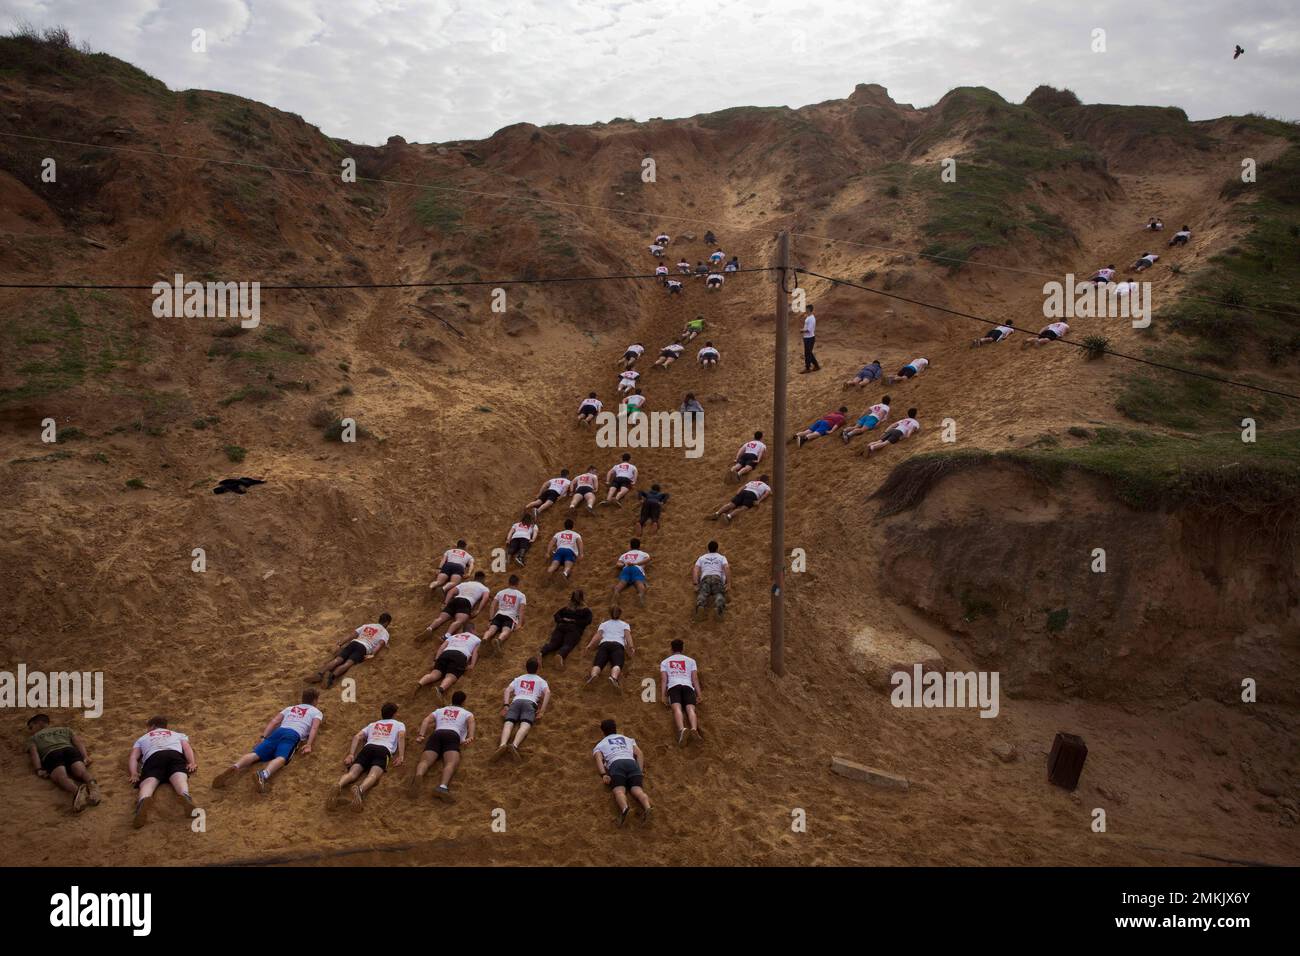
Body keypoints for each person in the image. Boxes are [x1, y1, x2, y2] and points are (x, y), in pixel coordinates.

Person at [213, 690, 324, 793]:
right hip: (293, 734)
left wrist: (263, 736)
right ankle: (263, 774)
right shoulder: (316, 712)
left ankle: (236, 766)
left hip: (278, 732)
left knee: (255, 754)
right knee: (282, 758)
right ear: (315, 700)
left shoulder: (290, 708)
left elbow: (274, 721)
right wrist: (309, 745)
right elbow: (314, 728)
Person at [329, 703, 404, 812]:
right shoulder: (399, 724)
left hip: (368, 748)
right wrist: (401, 756)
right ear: (394, 714)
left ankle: (339, 784)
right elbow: (401, 736)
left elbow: (357, 736)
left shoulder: (372, 724)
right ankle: (360, 789)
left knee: (352, 774)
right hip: (383, 750)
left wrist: (351, 754)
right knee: (373, 775)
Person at [128, 716, 197, 828]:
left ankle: (143, 800)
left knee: (149, 782)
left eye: (148, 727)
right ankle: (185, 795)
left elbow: (133, 757)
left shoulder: (142, 738)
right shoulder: (177, 734)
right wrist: (191, 762)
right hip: (173, 755)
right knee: (179, 777)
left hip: (153, 757)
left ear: (153, 726)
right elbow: (187, 748)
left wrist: (134, 773)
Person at [26, 714, 100, 813]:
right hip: (69, 750)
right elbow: (78, 742)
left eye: (31, 727)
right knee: (81, 771)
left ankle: (76, 791)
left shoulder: (33, 737)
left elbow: (34, 754)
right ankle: (92, 785)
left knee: (61, 777)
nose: (31, 730)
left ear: (38, 723)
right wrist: (85, 756)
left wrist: (38, 769)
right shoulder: (65, 729)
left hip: (51, 754)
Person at [412, 692, 474, 801]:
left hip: (437, 734)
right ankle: (443, 786)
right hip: (452, 735)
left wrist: (421, 735)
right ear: (464, 702)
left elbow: (426, 720)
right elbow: (471, 723)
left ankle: (419, 774)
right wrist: (470, 736)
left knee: (425, 761)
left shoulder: (440, 710)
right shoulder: (466, 713)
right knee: (451, 762)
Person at [592, 719, 651, 826]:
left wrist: (603, 774)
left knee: (619, 791)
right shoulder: (628, 739)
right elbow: (640, 754)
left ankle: (624, 808)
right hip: (631, 763)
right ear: (615, 728)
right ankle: (647, 807)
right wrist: (640, 771)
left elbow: (598, 759)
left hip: (616, 764)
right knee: (637, 790)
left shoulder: (600, 744)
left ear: (603, 731)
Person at [312, 613, 392, 688]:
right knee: (348, 663)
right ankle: (331, 677)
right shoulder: (385, 632)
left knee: (337, 659)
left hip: (354, 642)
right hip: (364, 647)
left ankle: (320, 673)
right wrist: (372, 654)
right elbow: (380, 644)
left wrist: (340, 644)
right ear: (387, 623)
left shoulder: (367, 625)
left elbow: (352, 635)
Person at [493, 659, 551, 760]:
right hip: (530, 703)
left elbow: (507, 690)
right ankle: (514, 745)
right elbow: (548, 693)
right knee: (525, 724)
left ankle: (502, 744)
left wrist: (506, 705)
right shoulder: (541, 680)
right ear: (537, 669)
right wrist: (542, 710)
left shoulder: (519, 678)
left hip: (516, 702)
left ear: (526, 667)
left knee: (508, 723)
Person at [416, 624, 482, 696]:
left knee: (434, 674)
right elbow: (475, 652)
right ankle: (440, 689)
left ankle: (419, 683)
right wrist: (472, 664)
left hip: (446, 653)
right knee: (450, 676)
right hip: (460, 655)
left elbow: (442, 647)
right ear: (472, 630)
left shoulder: (453, 636)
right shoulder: (477, 639)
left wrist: (436, 660)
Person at [660, 640, 702, 744]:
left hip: (674, 686)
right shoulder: (691, 661)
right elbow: (695, 678)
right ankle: (693, 728)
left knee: (677, 708)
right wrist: (699, 694)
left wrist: (663, 695)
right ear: (683, 648)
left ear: (671, 649)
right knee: (690, 709)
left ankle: (682, 729)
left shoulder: (665, 662)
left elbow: (664, 680)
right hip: (688, 686)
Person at [424, 571, 491, 637]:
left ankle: (430, 628)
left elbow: (451, 592)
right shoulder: (484, 588)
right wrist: (478, 610)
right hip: (466, 602)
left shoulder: (464, 584)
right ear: (483, 579)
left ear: (474, 578)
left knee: (440, 618)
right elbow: (485, 598)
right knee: (459, 621)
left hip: (455, 600)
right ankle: (447, 635)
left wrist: (445, 603)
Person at [538, 590, 593, 667]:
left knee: (553, 644)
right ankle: (560, 654)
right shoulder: (585, 610)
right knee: (568, 644)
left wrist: (562, 620)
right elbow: (588, 621)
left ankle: (541, 653)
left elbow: (556, 615)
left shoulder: (567, 608)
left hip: (561, 626)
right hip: (574, 629)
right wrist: (575, 621)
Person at [586, 607, 635, 686]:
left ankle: (593, 676)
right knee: (617, 664)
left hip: (604, 645)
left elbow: (598, 636)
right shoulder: (625, 624)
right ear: (620, 614)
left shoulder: (604, 624)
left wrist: (590, 645)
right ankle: (613, 678)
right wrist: (631, 647)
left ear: (610, 614)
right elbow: (628, 636)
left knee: (598, 664)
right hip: (617, 645)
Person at [483, 575, 527, 653]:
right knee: (506, 631)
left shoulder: (501, 592)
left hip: (499, 615)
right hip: (510, 617)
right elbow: (521, 610)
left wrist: (491, 619)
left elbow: (492, 605)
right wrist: (519, 624)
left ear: (508, 583)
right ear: (517, 583)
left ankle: (485, 638)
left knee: (491, 629)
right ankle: (499, 640)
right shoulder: (521, 595)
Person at [692, 541, 729, 620]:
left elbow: (695, 570)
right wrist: (729, 583)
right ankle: (718, 608)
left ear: (707, 549)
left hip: (705, 578)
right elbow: (726, 568)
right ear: (717, 549)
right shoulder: (722, 557)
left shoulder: (701, 558)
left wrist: (695, 584)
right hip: (717, 578)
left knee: (702, 593)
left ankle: (700, 606)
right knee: (719, 593)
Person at [612, 539, 651, 606]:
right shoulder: (643, 553)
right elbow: (648, 559)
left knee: (621, 583)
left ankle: (616, 592)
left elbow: (618, 564)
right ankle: (640, 594)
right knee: (639, 583)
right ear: (639, 546)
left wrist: (624, 565)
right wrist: (636, 563)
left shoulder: (625, 555)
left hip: (626, 568)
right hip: (636, 568)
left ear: (630, 546)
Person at [800, 307, 819, 372]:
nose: (805, 310)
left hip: (809, 338)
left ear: (809, 310)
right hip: (807, 337)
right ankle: (815, 366)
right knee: (808, 353)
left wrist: (802, 330)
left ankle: (809, 367)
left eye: (806, 309)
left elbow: (809, 330)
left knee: (808, 353)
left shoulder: (811, 319)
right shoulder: (809, 317)